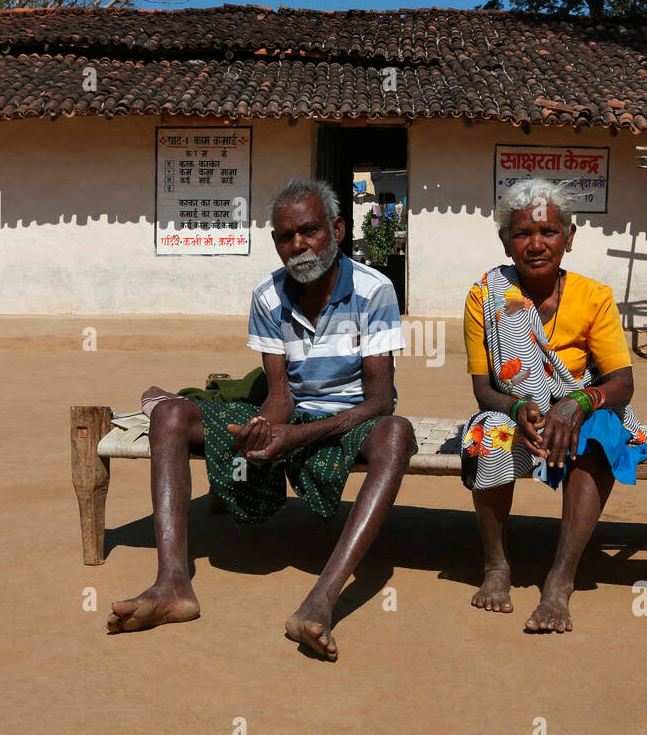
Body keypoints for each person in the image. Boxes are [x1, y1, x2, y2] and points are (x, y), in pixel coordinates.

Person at [107, 177, 417, 662]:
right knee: (169, 414)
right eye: (284, 237)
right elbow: (280, 396)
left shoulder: (374, 291)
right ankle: (173, 584)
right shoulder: (268, 296)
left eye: (309, 231)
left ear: (337, 229)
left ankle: (321, 599)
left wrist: (297, 437)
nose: (297, 246)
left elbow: (380, 402)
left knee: (397, 434)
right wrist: (263, 429)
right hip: (296, 416)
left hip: (352, 420)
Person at [462, 178, 647, 633]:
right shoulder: (484, 296)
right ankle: (496, 567)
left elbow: (622, 383)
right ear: (506, 242)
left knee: (602, 433)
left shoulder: (594, 297)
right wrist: (515, 409)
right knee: (489, 431)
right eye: (523, 233)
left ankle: (560, 582)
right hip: (517, 409)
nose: (536, 244)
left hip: (581, 408)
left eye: (548, 232)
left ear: (569, 237)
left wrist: (579, 403)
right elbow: (484, 390)